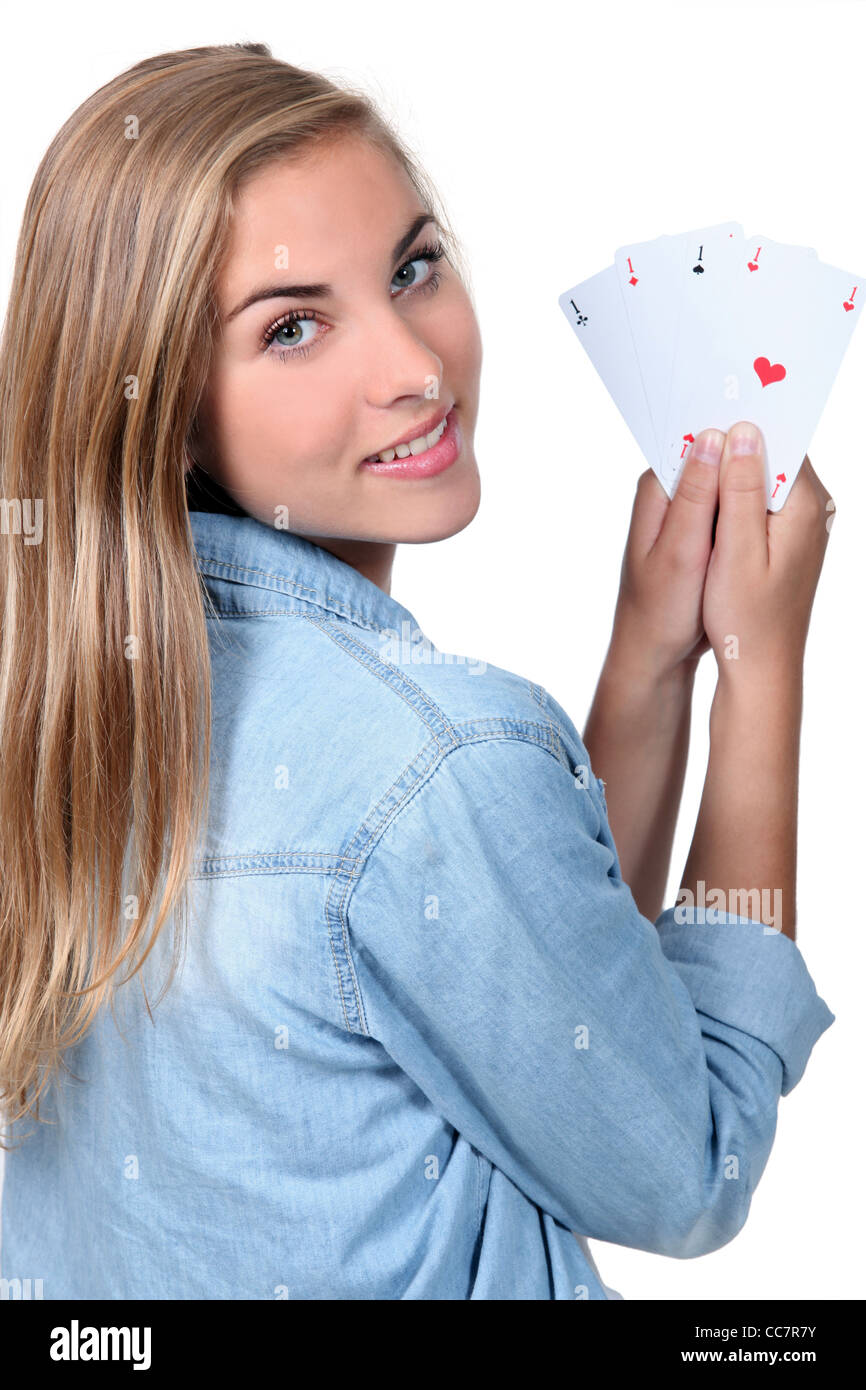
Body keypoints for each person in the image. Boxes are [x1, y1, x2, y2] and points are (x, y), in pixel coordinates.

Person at [0, 41, 833, 1301]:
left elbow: (546, 996)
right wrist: (760, 671)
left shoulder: (58, 715)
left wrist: (650, 655)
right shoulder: (435, 765)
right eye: (291, 328)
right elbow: (686, 1162)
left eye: (412, 267)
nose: (414, 366)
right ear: (161, 401)